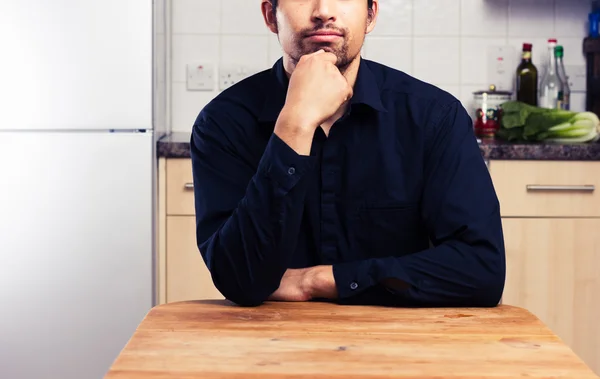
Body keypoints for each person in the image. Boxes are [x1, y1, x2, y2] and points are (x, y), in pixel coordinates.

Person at [190, 0, 506, 307]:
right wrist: (295, 125)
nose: (323, 11)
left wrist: (318, 281)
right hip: (266, 346)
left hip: (400, 342)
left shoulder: (434, 117)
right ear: (271, 16)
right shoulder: (223, 123)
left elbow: (482, 271)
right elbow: (239, 280)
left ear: (370, 14)